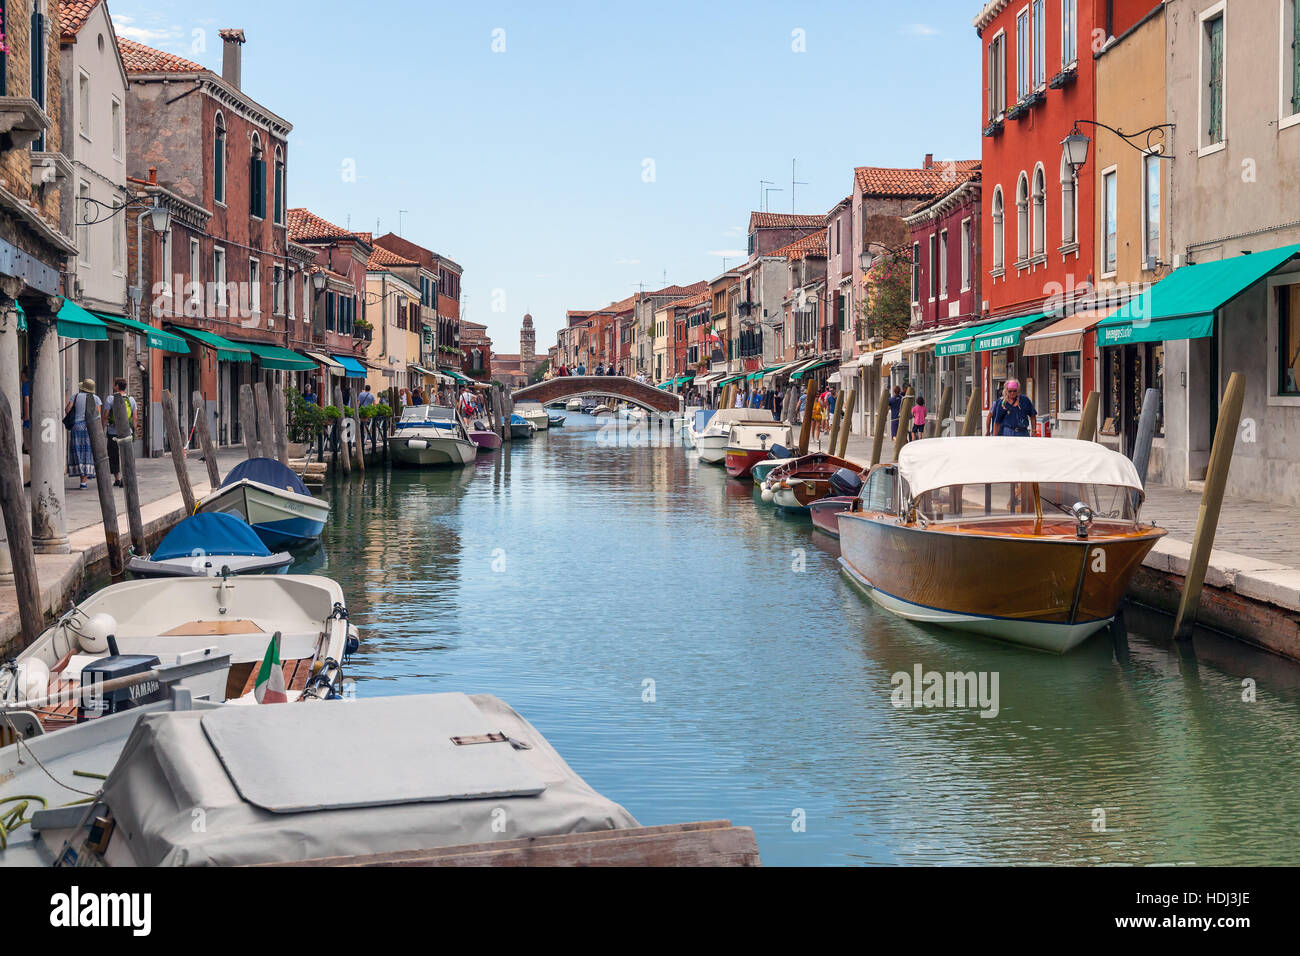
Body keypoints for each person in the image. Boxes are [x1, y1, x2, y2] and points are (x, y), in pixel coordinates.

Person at [65, 379, 102, 490]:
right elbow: (97, 415)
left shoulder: (75, 396)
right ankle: (84, 482)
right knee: (87, 452)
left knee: (77, 452)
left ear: (82, 387)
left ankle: (80, 473)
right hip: (88, 428)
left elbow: (67, 410)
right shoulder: (96, 399)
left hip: (76, 427)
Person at [103, 378, 135, 487]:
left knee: (114, 455)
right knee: (126, 455)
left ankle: (117, 478)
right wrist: (133, 430)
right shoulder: (131, 399)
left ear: (117, 386)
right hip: (127, 432)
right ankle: (126, 479)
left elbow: (106, 415)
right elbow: (135, 417)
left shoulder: (110, 399)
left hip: (113, 432)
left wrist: (103, 427)